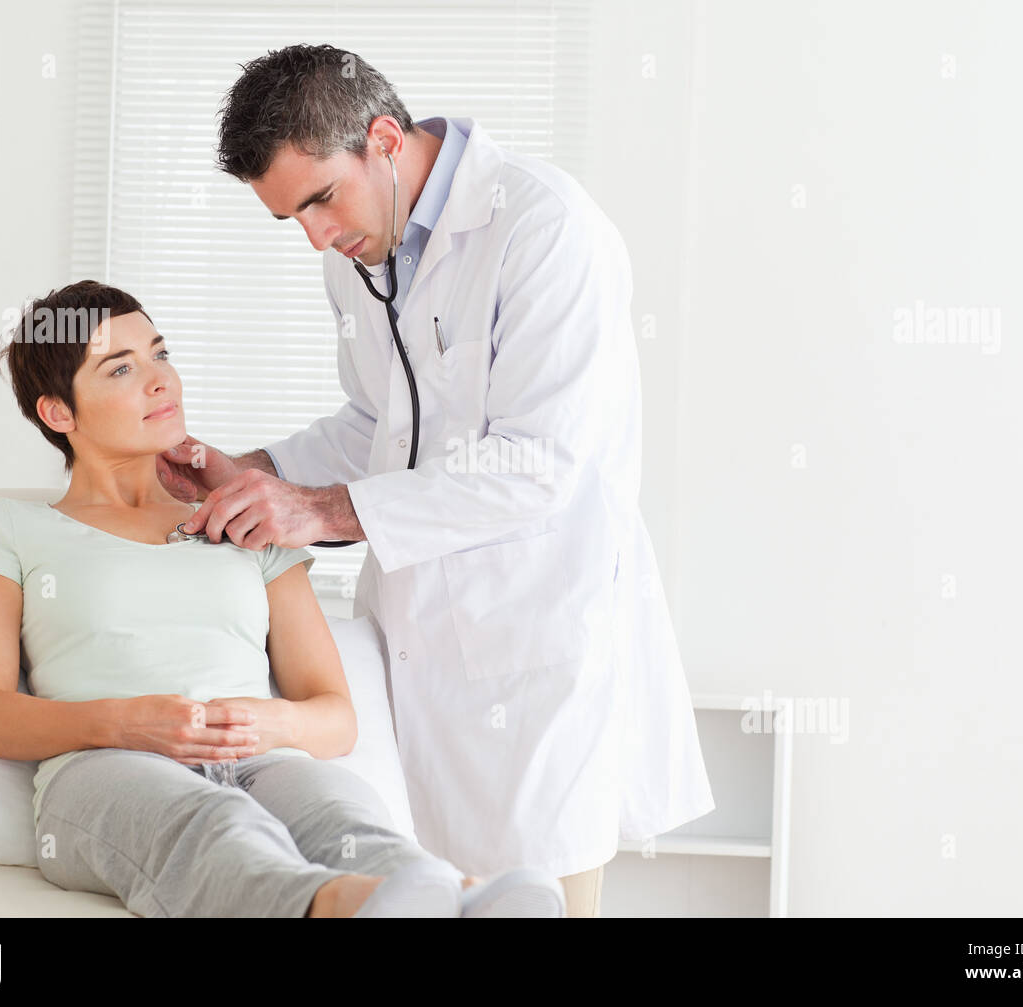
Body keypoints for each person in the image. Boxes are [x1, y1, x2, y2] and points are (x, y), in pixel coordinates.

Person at [155, 44, 715, 917]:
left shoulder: (544, 229)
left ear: (383, 137)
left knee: (536, 900)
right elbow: (382, 428)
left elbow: (539, 464)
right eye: (290, 219)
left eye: (319, 200)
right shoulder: (355, 257)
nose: (315, 237)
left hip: (534, 648)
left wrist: (312, 510)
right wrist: (258, 473)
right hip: (420, 651)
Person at [0, 280, 566, 917]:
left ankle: (453, 902)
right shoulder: (10, 530)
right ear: (59, 413)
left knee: (347, 823)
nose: (161, 380)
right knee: (212, 826)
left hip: (260, 760)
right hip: (105, 773)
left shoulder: (243, 520)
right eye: (121, 368)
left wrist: (268, 723)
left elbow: (334, 716)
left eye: (160, 353)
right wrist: (125, 723)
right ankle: (347, 909)